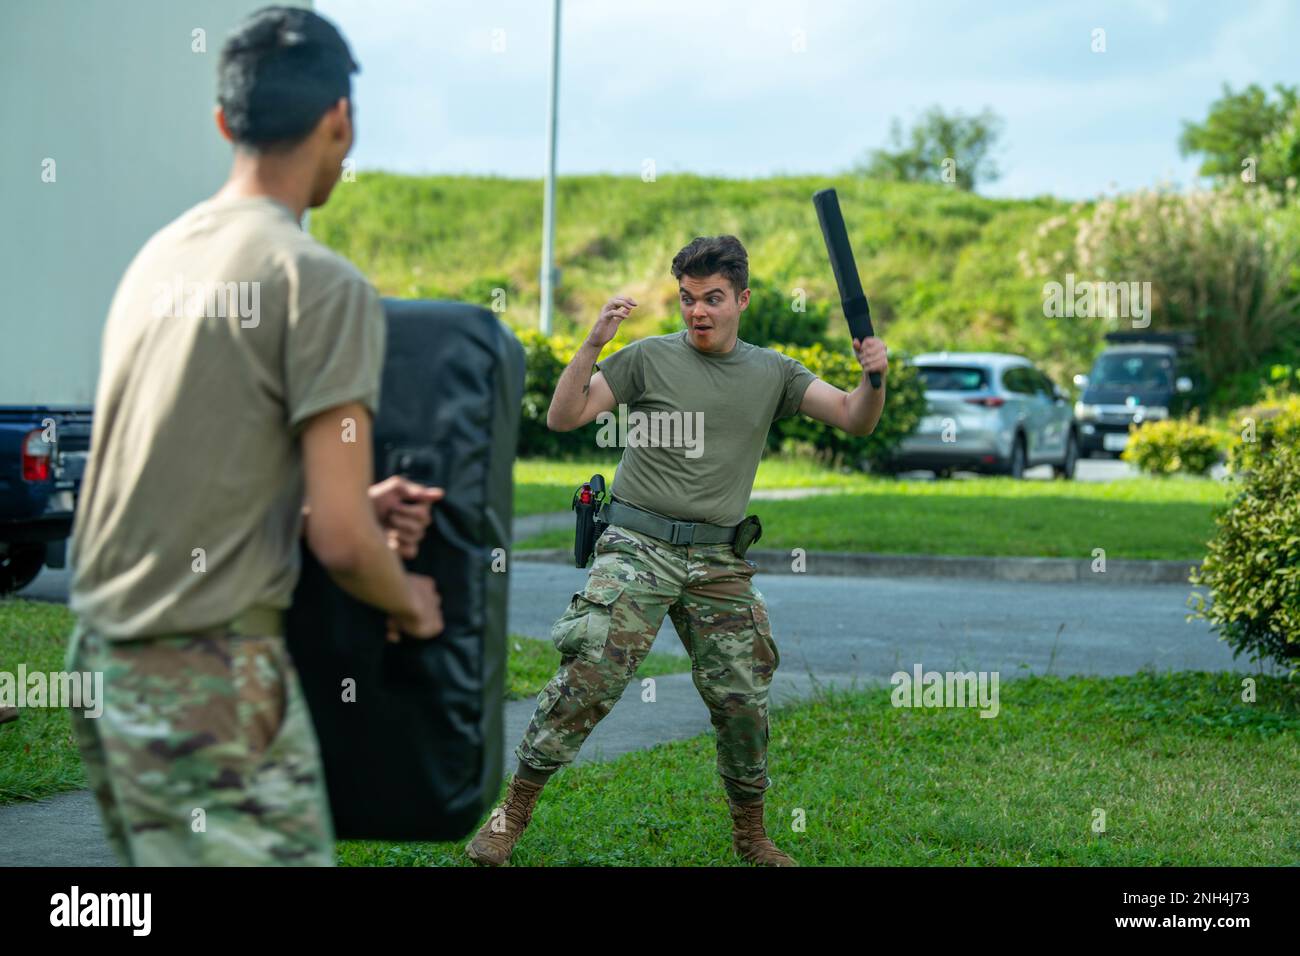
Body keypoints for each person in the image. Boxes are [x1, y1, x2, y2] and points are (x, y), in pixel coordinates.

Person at [64, 6, 443, 866]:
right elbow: (347, 542)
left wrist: (336, 503)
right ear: (339, 120)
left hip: (100, 655)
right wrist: (411, 603)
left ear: (225, 121)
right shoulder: (317, 280)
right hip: (202, 673)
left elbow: (199, 465)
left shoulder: (158, 257)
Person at [466, 234, 888, 866]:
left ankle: (752, 838)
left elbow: (856, 418)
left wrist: (873, 376)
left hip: (719, 557)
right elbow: (565, 416)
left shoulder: (773, 372)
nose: (699, 312)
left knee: (742, 699)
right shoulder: (648, 359)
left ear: (741, 298)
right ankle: (510, 815)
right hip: (638, 543)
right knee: (589, 678)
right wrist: (592, 345)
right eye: (689, 299)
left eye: (714, 299)